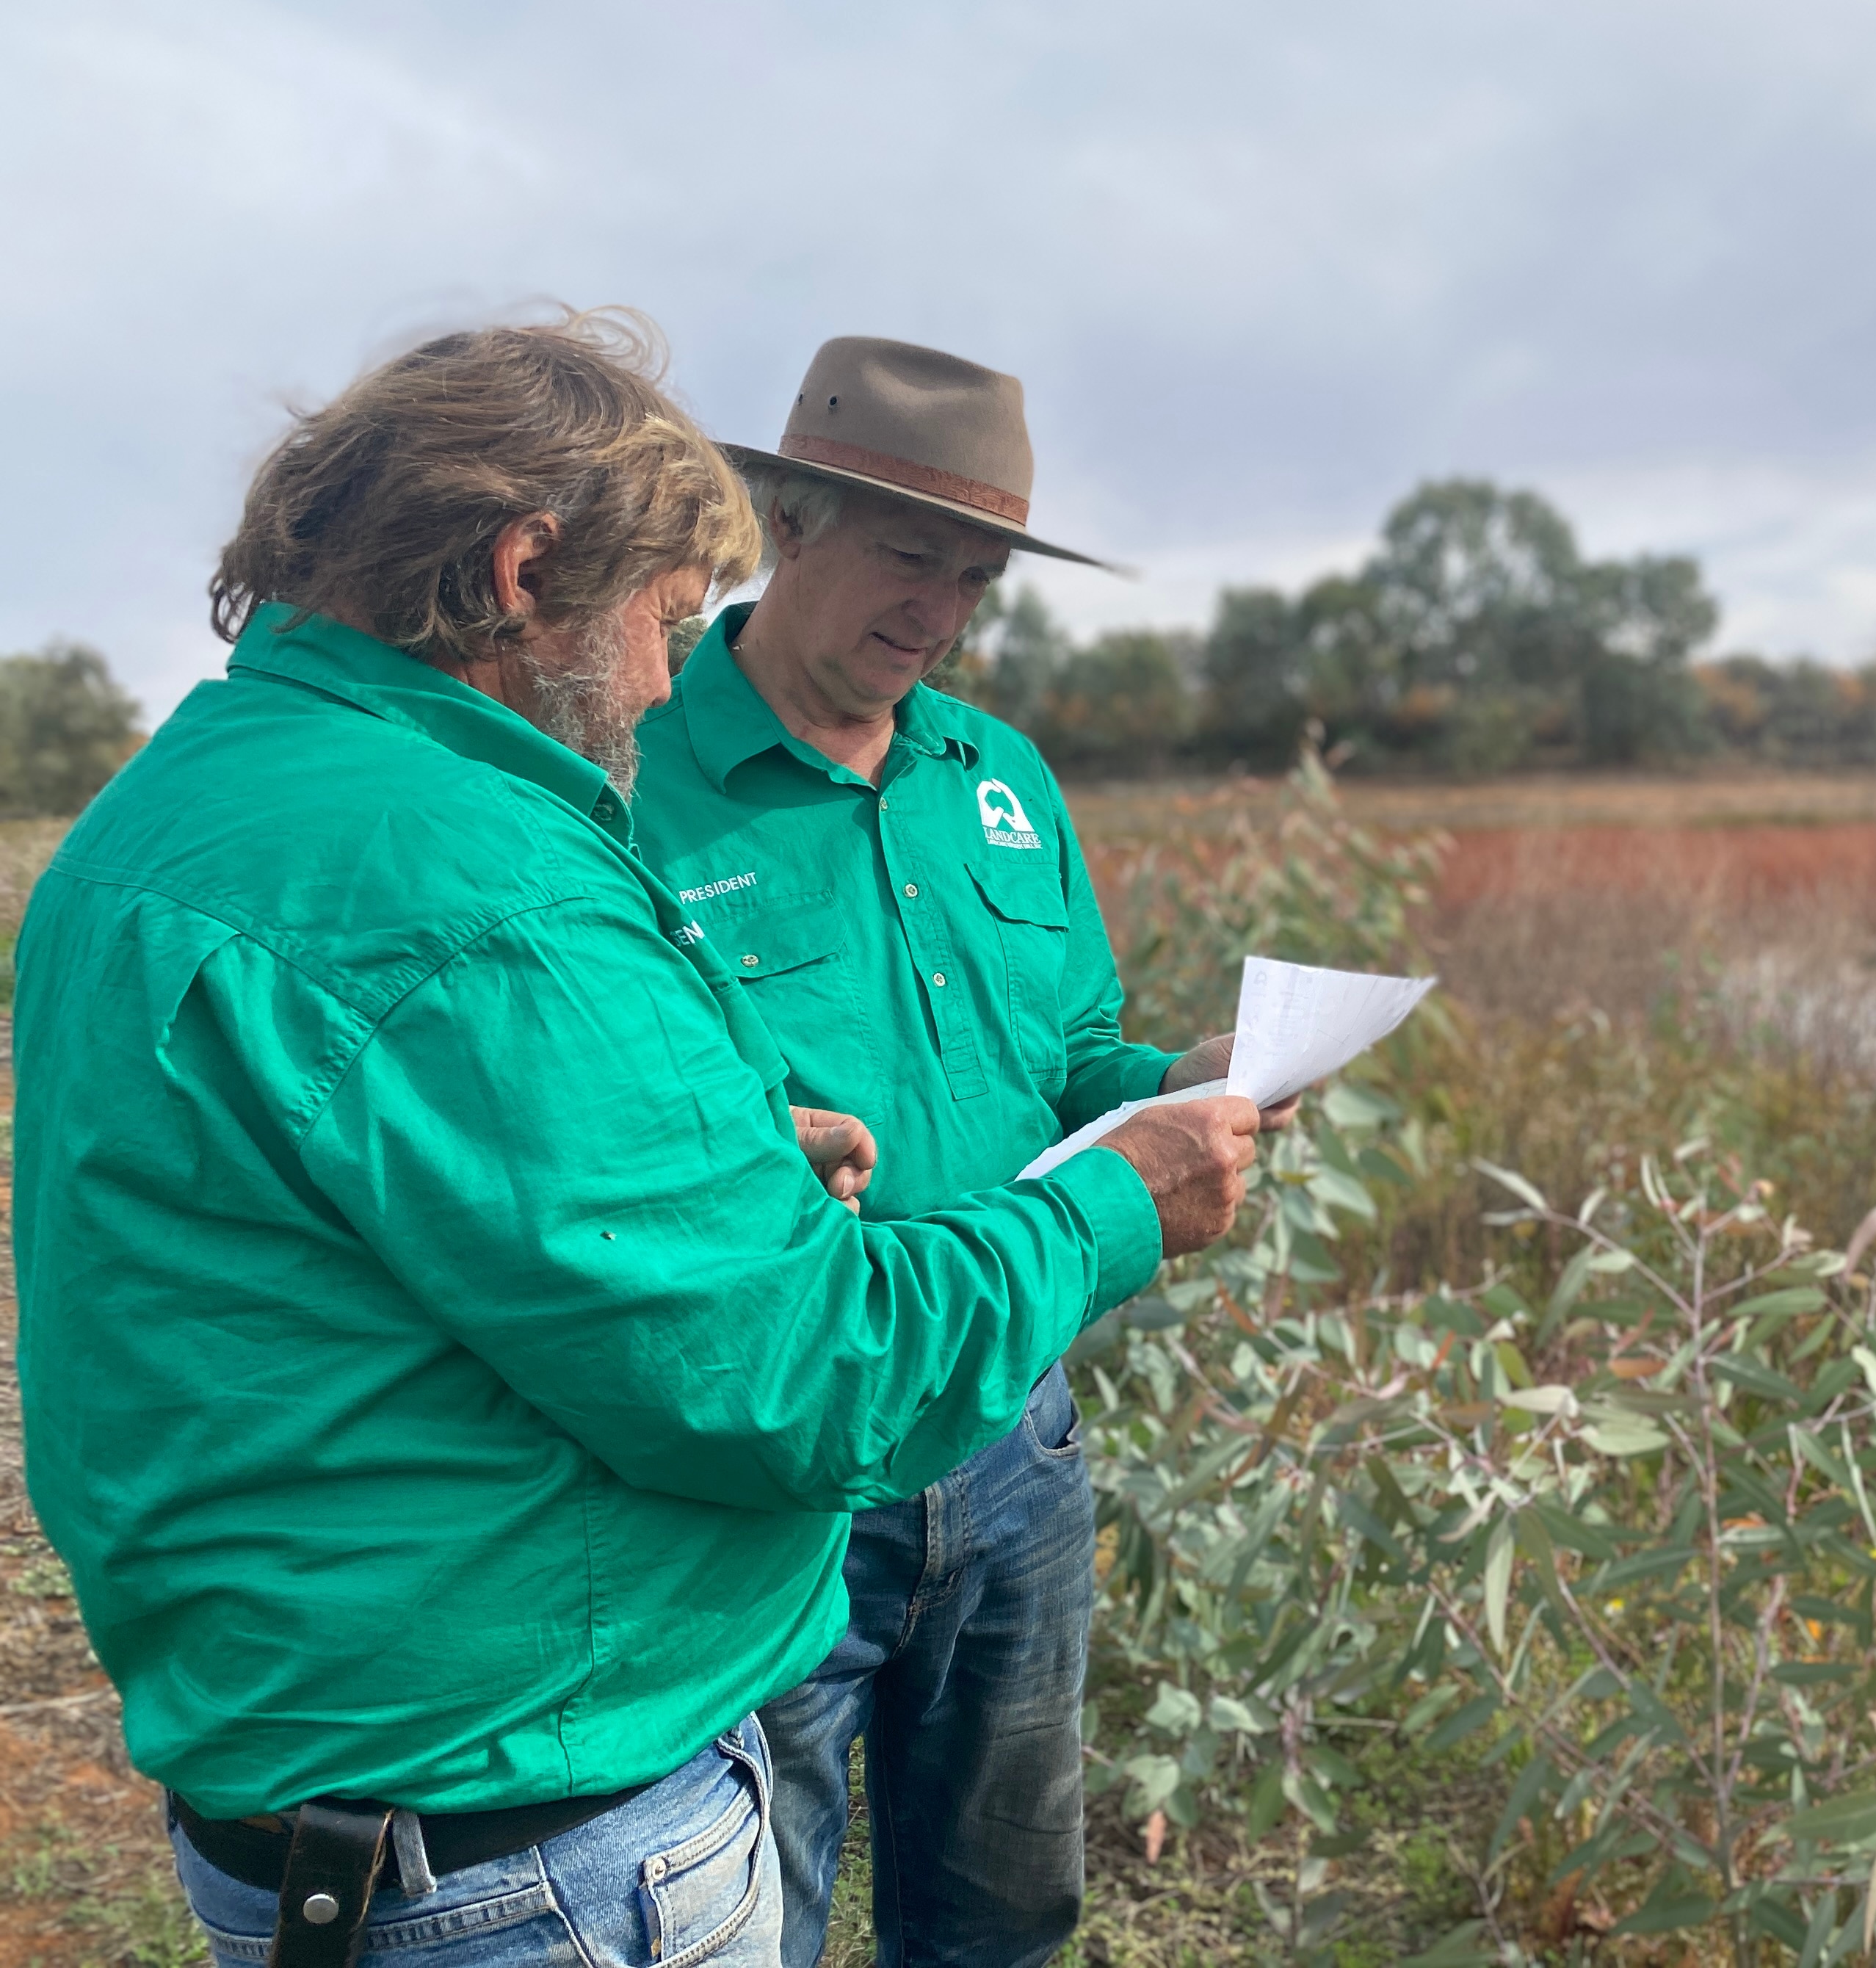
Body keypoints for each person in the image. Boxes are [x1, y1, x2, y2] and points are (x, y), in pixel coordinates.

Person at [7, 314, 1263, 1968]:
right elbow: (805, 1376)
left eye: (980, 578)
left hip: (461, 1738)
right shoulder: (507, 860)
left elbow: (474, 1168)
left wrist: (740, 1146)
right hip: (542, 1815)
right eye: (668, 617)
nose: (671, 672)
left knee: (999, 1899)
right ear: (530, 570)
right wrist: (1116, 1203)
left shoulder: (190, 797)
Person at [631, 335, 1272, 1968]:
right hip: (776, 1480)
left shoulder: (999, 781)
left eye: (977, 577)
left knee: (999, 1916)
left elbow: (1064, 1066)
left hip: (1018, 1445)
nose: (942, 609)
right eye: (912, 556)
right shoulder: (630, 778)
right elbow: (600, 1128)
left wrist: (1181, 1083)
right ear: (787, 515)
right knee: (739, 1919)